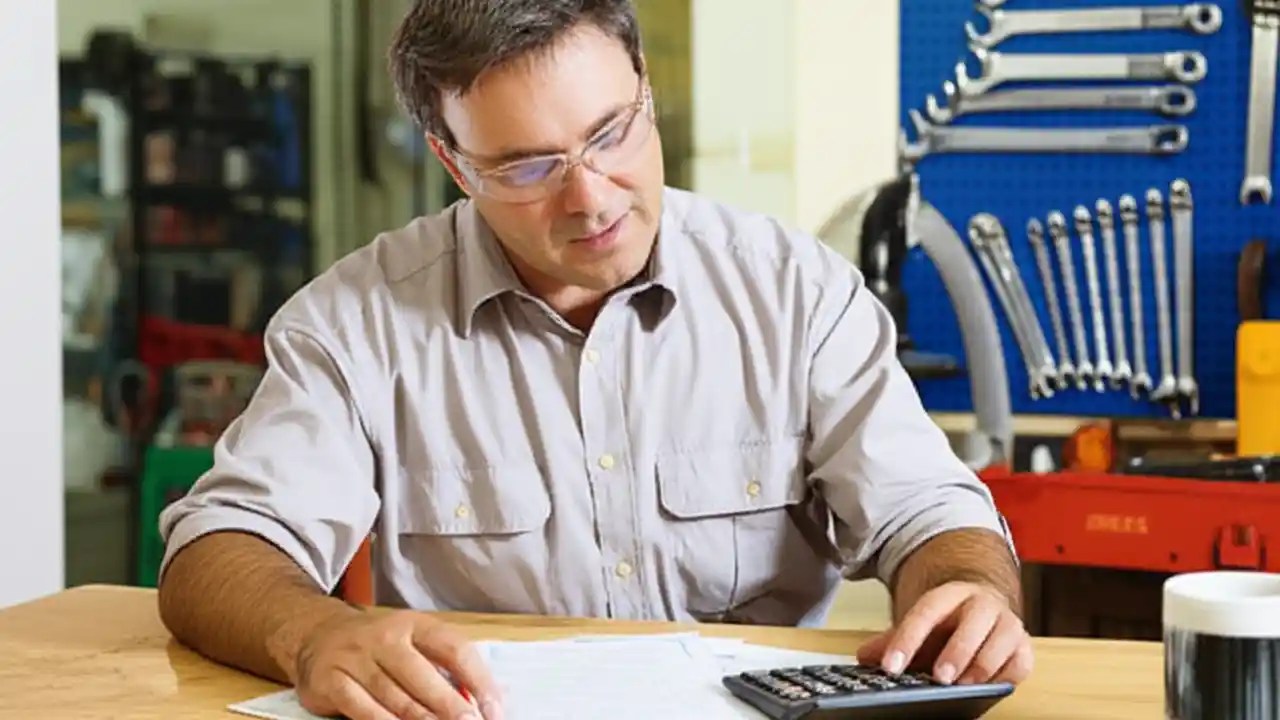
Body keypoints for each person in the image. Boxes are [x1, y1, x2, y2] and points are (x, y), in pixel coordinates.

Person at [155, 1, 1032, 719]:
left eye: (611, 132)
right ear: (454, 164)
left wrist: (966, 589)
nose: (590, 197)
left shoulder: (795, 293)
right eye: (527, 168)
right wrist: (312, 634)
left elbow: (929, 512)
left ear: (644, 85)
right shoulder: (356, 324)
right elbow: (218, 548)